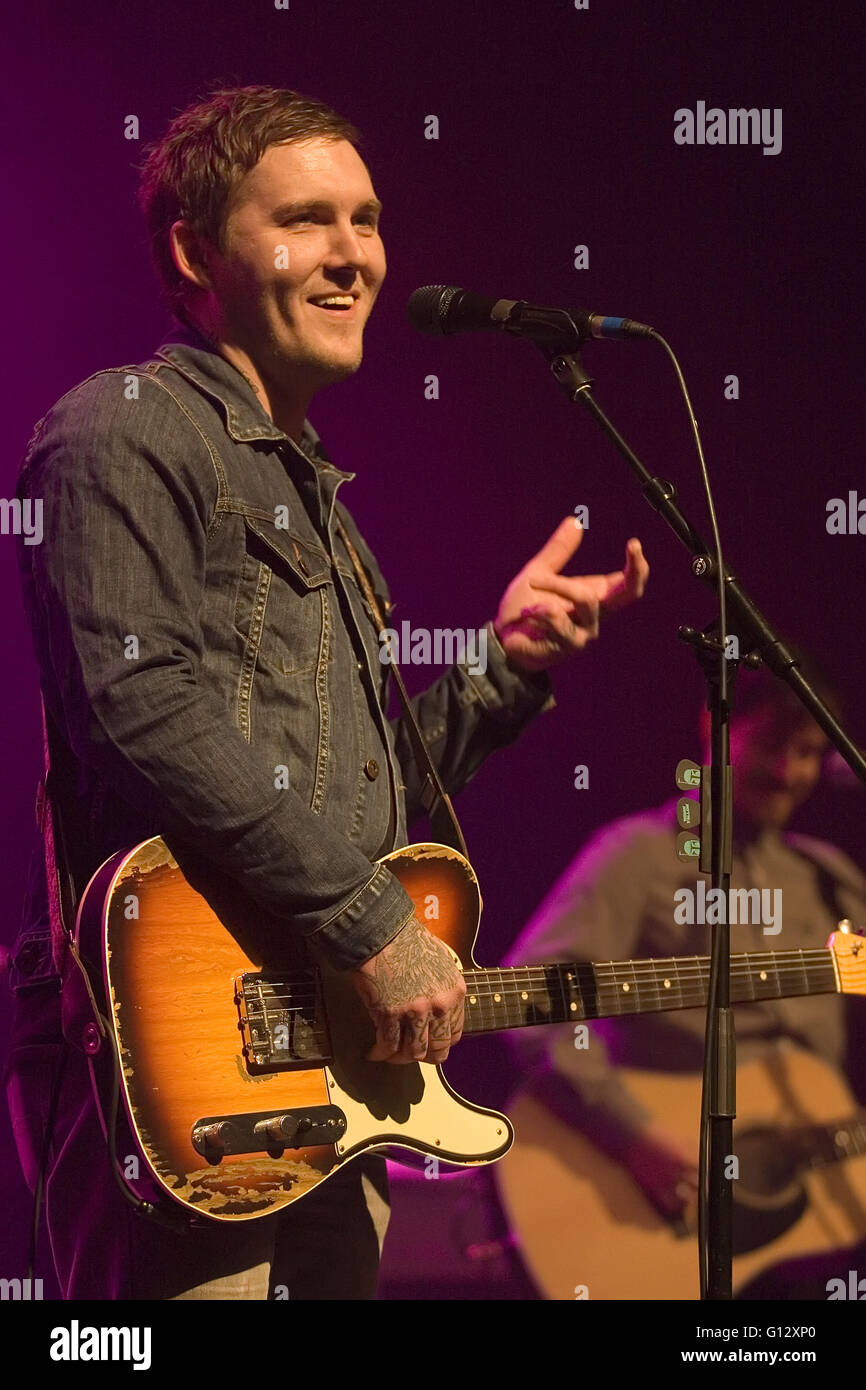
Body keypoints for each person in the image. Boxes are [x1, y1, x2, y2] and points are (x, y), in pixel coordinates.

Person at [3, 84, 648, 1300]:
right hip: (172, 1041)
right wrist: (370, 927)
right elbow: (143, 709)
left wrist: (505, 664)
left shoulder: (318, 507)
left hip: (314, 1061)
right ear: (194, 252)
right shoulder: (120, 428)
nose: (354, 254)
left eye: (366, 218)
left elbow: (368, 803)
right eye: (306, 220)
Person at [505, 661, 866, 1297]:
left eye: (809, 752)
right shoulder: (636, 855)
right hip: (662, 1200)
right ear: (715, 725)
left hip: (813, 1218)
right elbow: (533, 999)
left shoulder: (829, 877)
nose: (789, 772)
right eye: (774, 743)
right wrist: (634, 1136)